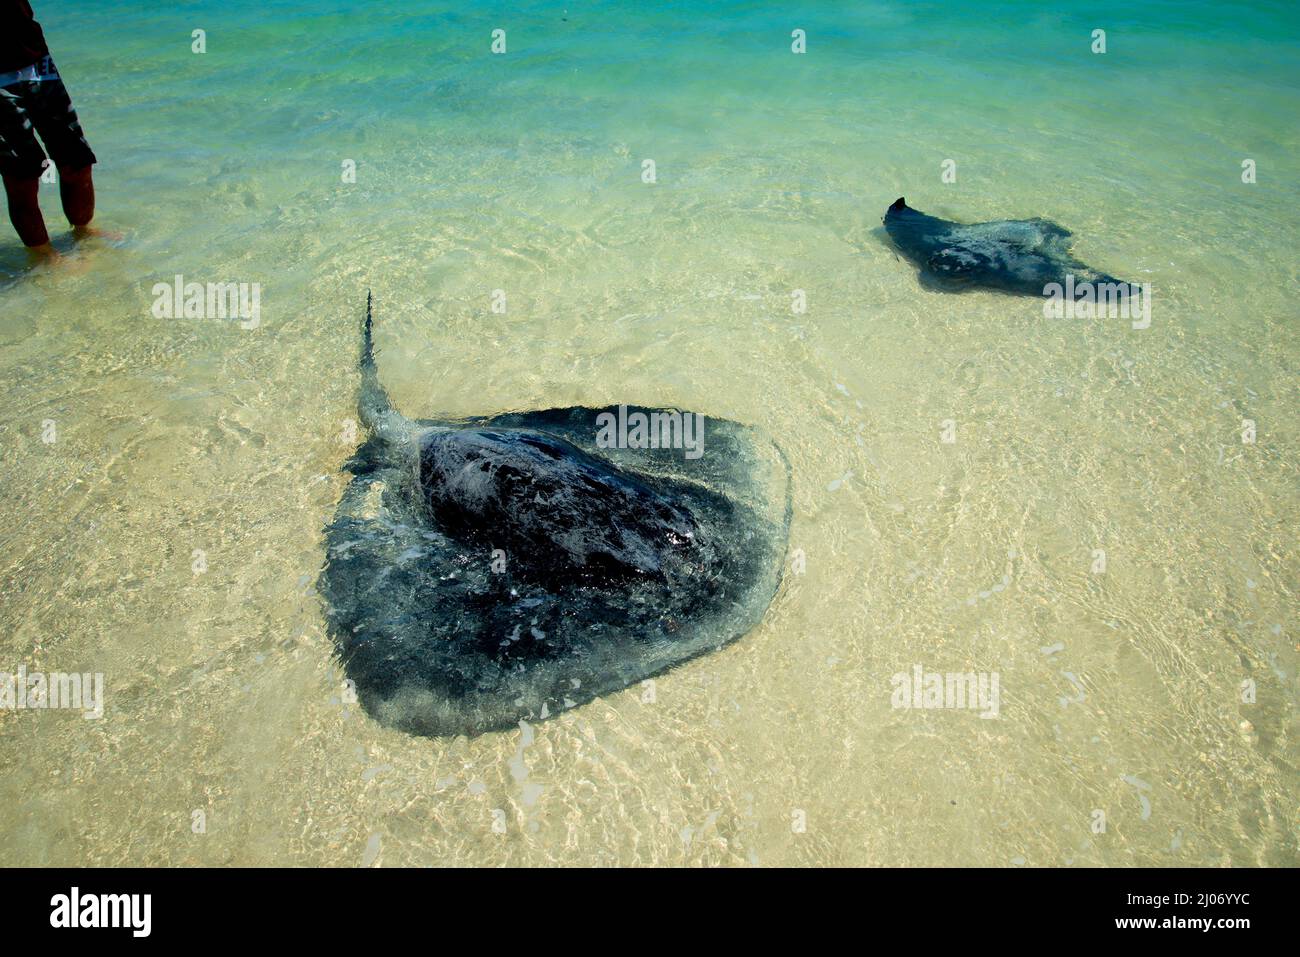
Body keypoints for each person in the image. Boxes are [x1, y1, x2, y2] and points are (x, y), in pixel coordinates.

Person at [0, 1, 99, 257]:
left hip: (37, 63)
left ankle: (83, 234)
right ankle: (44, 258)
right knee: (22, 175)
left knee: (76, 161)